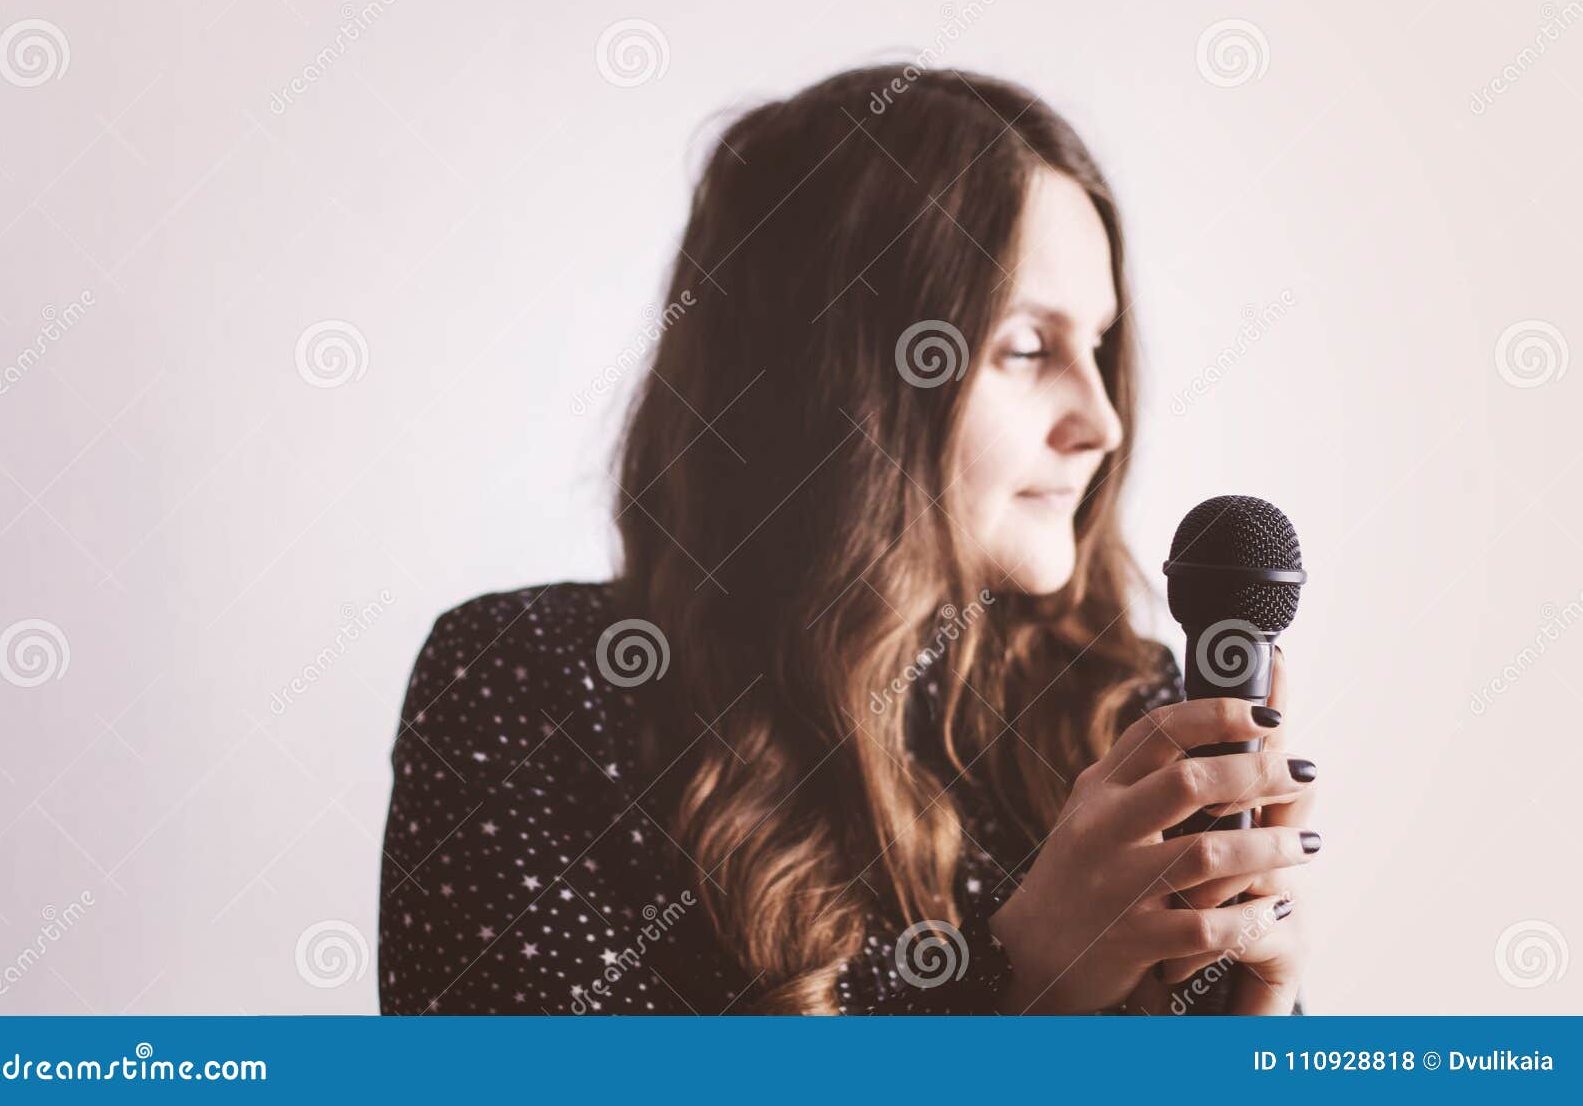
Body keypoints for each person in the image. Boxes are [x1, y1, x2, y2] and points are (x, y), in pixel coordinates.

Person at [377, 65, 1319, 1015]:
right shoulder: (535, 687)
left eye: (1101, 346)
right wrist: (1024, 982)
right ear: (835, 375)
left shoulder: (1123, 714)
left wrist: (1253, 1040)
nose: (1103, 422)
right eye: (1028, 348)